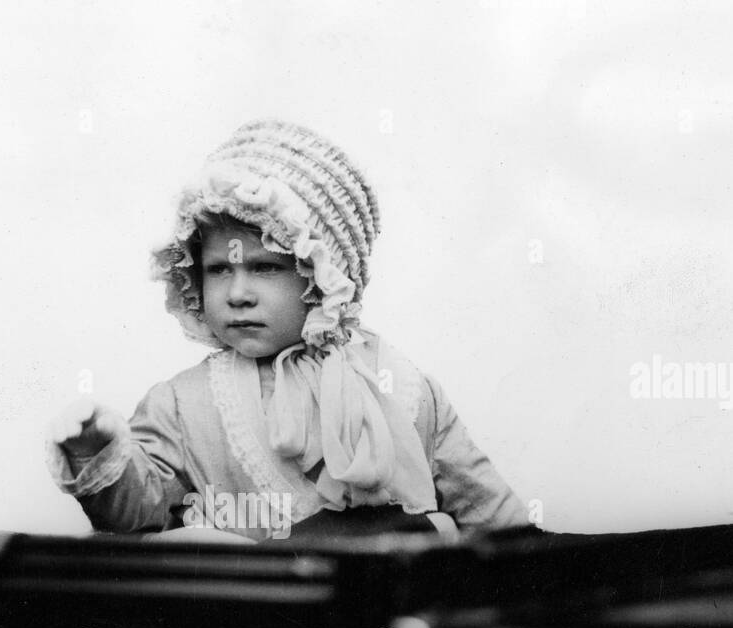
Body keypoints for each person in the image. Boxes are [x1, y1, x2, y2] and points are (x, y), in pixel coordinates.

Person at [45, 119, 529, 542]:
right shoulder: (182, 404)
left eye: (266, 268)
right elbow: (137, 515)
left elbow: (496, 521)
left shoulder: (402, 386)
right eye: (218, 270)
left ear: (323, 277)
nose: (237, 293)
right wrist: (102, 455)